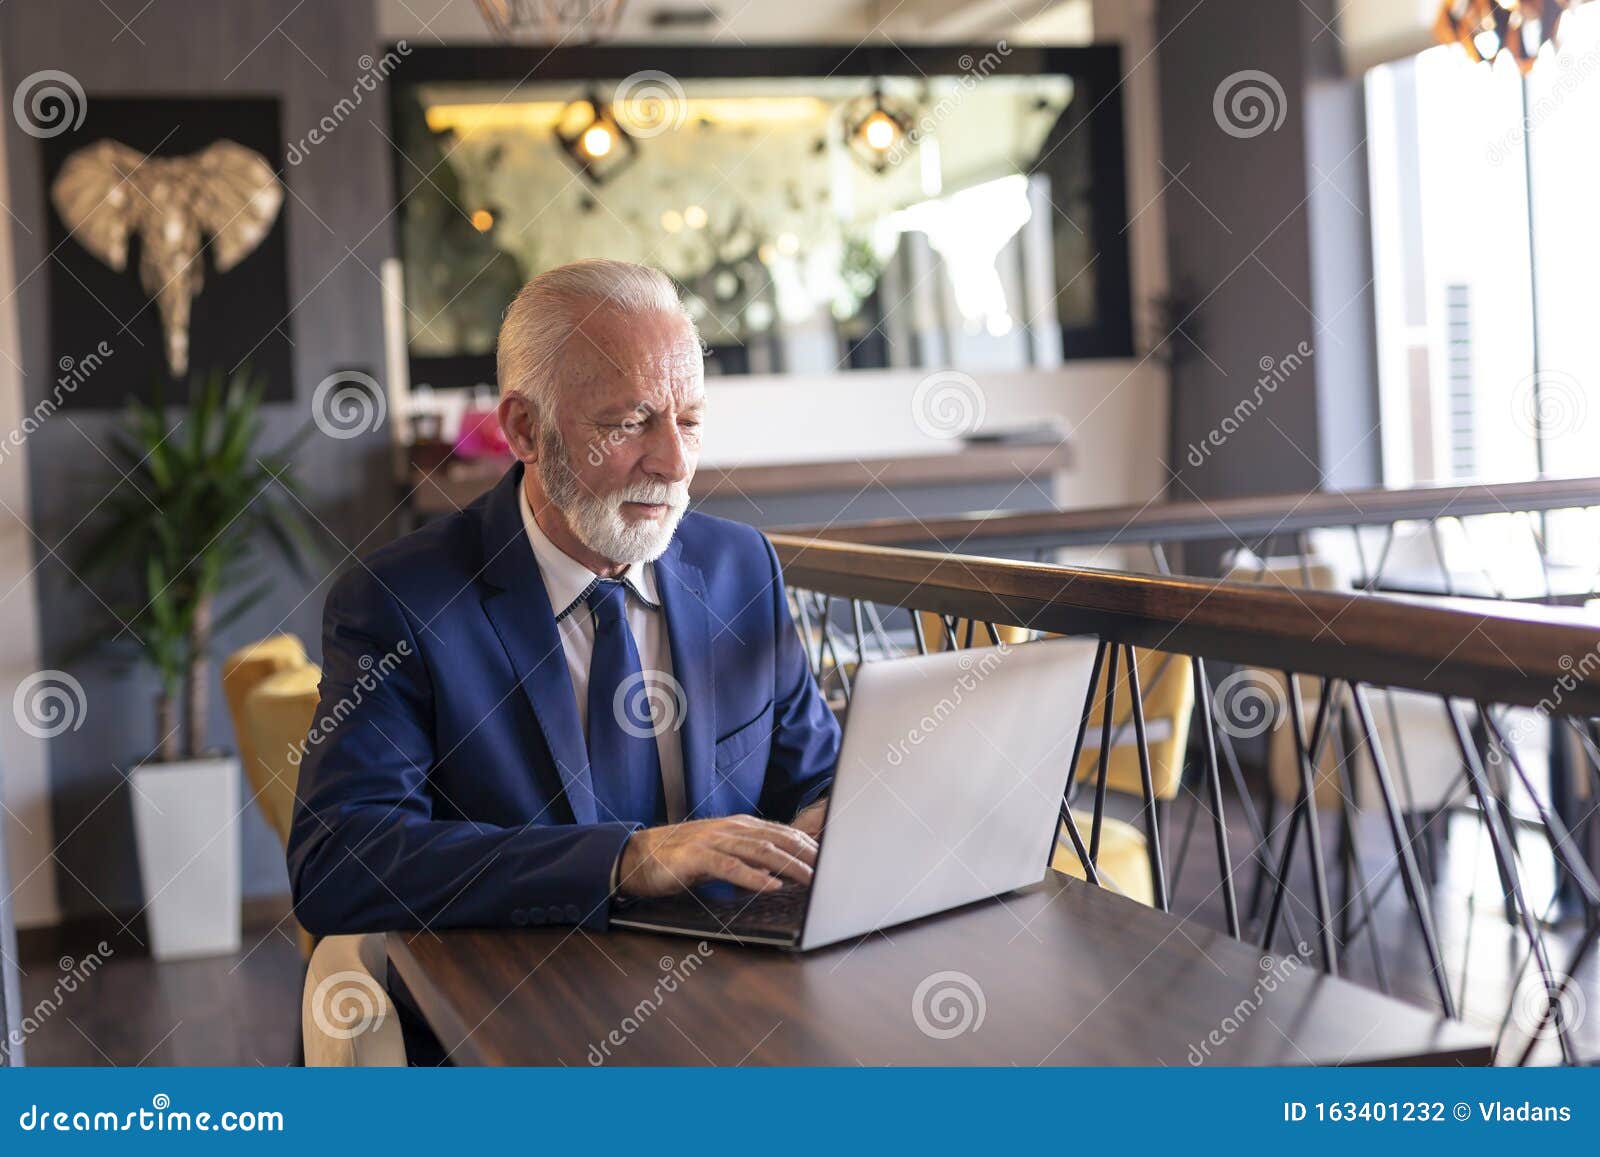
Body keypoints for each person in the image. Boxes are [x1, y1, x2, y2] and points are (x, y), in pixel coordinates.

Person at [286, 260, 840, 1061]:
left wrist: (836, 819)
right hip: (522, 1028)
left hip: (737, 1016)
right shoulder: (402, 599)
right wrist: (625, 858)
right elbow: (339, 859)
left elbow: (811, 777)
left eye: (689, 420)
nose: (675, 464)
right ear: (523, 431)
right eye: (630, 422)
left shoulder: (739, 566)